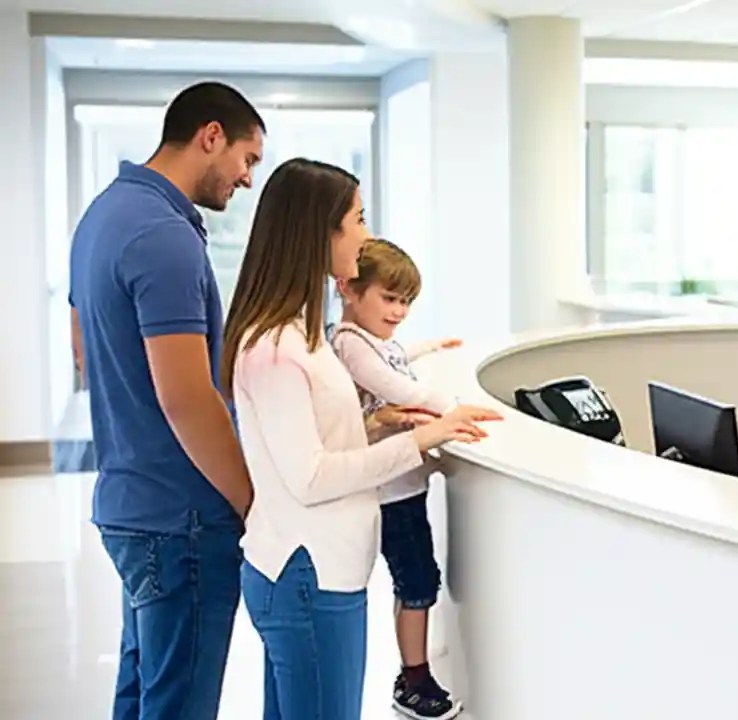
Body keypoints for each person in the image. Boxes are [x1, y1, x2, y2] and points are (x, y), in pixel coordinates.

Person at [221, 157, 501, 720]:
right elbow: (310, 475)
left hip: (320, 571)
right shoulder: (277, 347)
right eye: (358, 218)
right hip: (306, 573)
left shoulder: (302, 333)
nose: (366, 234)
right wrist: (421, 441)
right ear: (319, 232)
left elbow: (316, 439)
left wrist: (377, 425)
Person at [67, 81, 265, 720]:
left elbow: (83, 352)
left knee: (146, 691)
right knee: (178, 705)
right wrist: (249, 499)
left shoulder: (104, 214)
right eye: (247, 159)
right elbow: (184, 396)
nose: (247, 179)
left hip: (132, 502)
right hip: (181, 519)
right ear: (211, 135)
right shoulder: (164, 236)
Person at [329, 238, 463, 719]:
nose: (400, 311)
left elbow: (399, 358)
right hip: (389, 490)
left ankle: (413, 673)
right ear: (349, 290)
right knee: (417, 582)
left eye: (406, 301)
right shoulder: (348, 342)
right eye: (390, 298)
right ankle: (414, 679)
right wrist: (452, 409)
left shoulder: (373, 341)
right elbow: (394, 384)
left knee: (416, 580)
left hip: (403, 484)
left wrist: (433, 347)